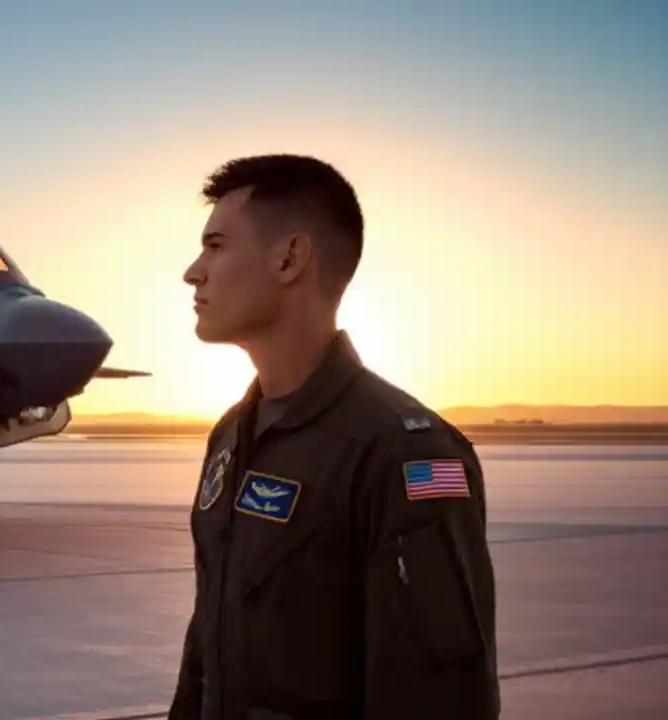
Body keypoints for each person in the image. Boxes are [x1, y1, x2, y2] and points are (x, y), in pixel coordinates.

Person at [171, 154, 499, 719]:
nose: (193, 271)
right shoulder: (230, 437)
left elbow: (440, 692)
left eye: (217, 245)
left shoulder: (404, 453)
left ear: (290, 258)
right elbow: (208, 645)